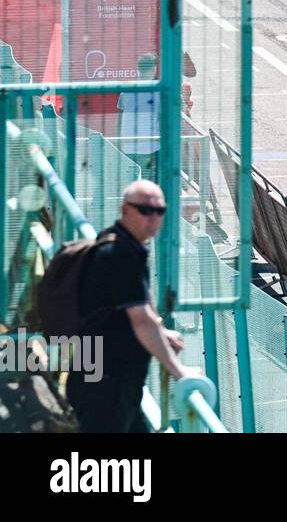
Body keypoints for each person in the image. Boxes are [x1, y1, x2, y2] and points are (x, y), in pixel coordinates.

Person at [69, 181, 199, 432]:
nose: (153, 218)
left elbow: (139, 309)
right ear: (126, 209)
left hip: (110, 379)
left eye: (160, 211)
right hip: (106, 384)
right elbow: (141, 319)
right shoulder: (120, 254)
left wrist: (162, 332)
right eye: (145, 210)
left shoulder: (120, 242)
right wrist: (179, 372)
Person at [119, 53, 160, 182]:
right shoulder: (158, 90)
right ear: (154, 69)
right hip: (148, 147)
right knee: (147, 184)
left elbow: (120, 117)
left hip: (127, 145)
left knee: (130, 183)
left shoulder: (126, 89)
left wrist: (120, 141)